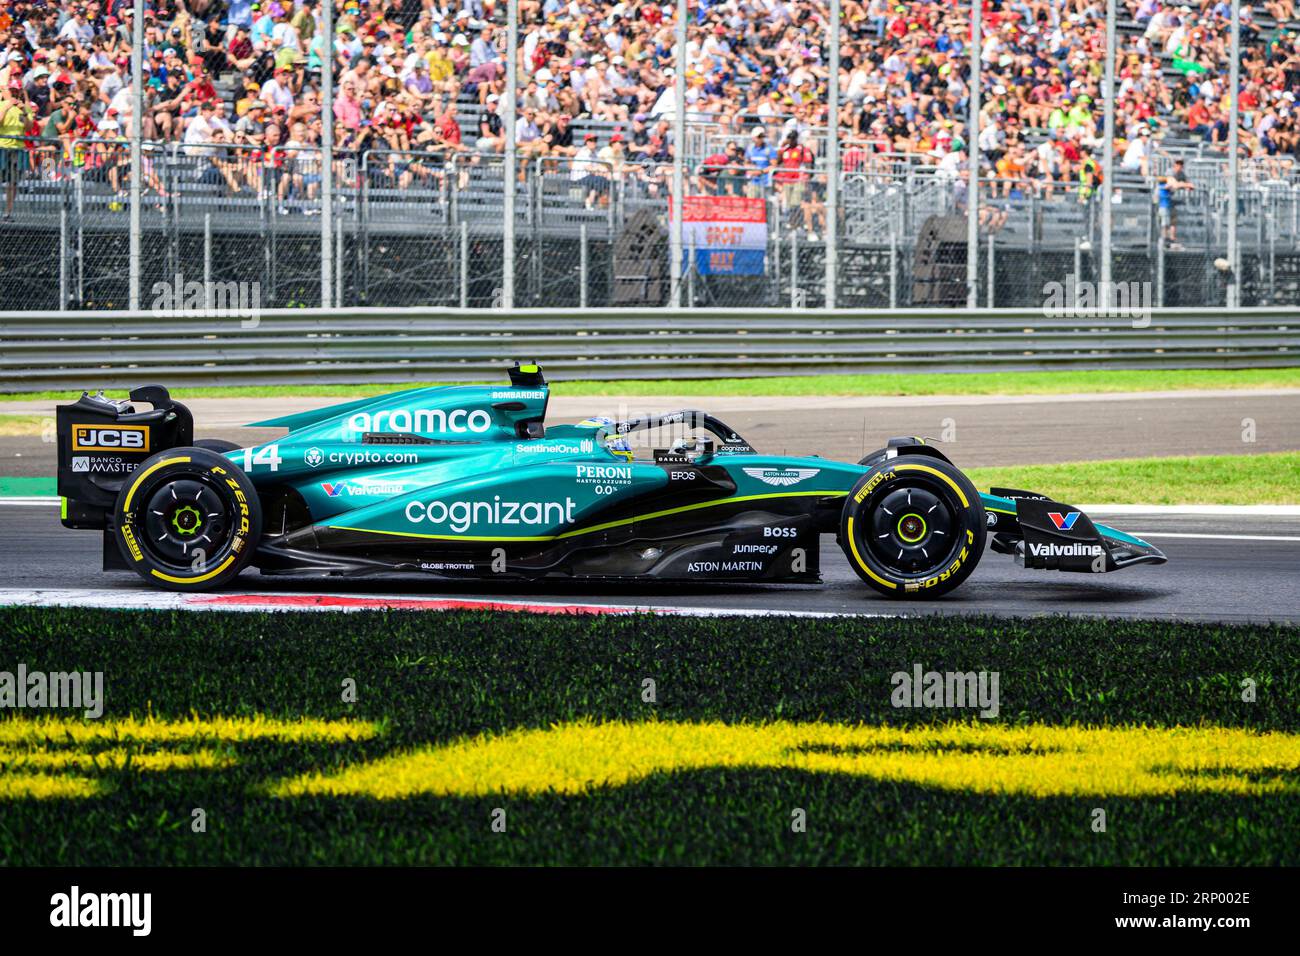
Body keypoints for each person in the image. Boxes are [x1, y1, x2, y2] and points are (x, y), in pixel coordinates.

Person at [0, 82, 33, 219]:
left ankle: (8, 212)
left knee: (13, 183)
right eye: (11, 90)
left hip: (17, 149)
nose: (14, 93)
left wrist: (24, 112)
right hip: (1, 147)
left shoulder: (24, 108)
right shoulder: (2, 104)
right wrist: (7, 107)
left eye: (17, 90)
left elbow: (29, 128)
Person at [1159, 158, 1194, 248]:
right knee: (1165, 222)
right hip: (1162, 201)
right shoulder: (1169, 172)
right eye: (1177, 164)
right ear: (1174, 164)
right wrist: (1184, 185)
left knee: (1173, 221)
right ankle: (1164, 240)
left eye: (1181, 164)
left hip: (1170, 201)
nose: (1179, 166)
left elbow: (1190, 184)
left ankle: (1171, 240)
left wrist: (1185, 184)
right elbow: (1174, 184)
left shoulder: (1181, 174)